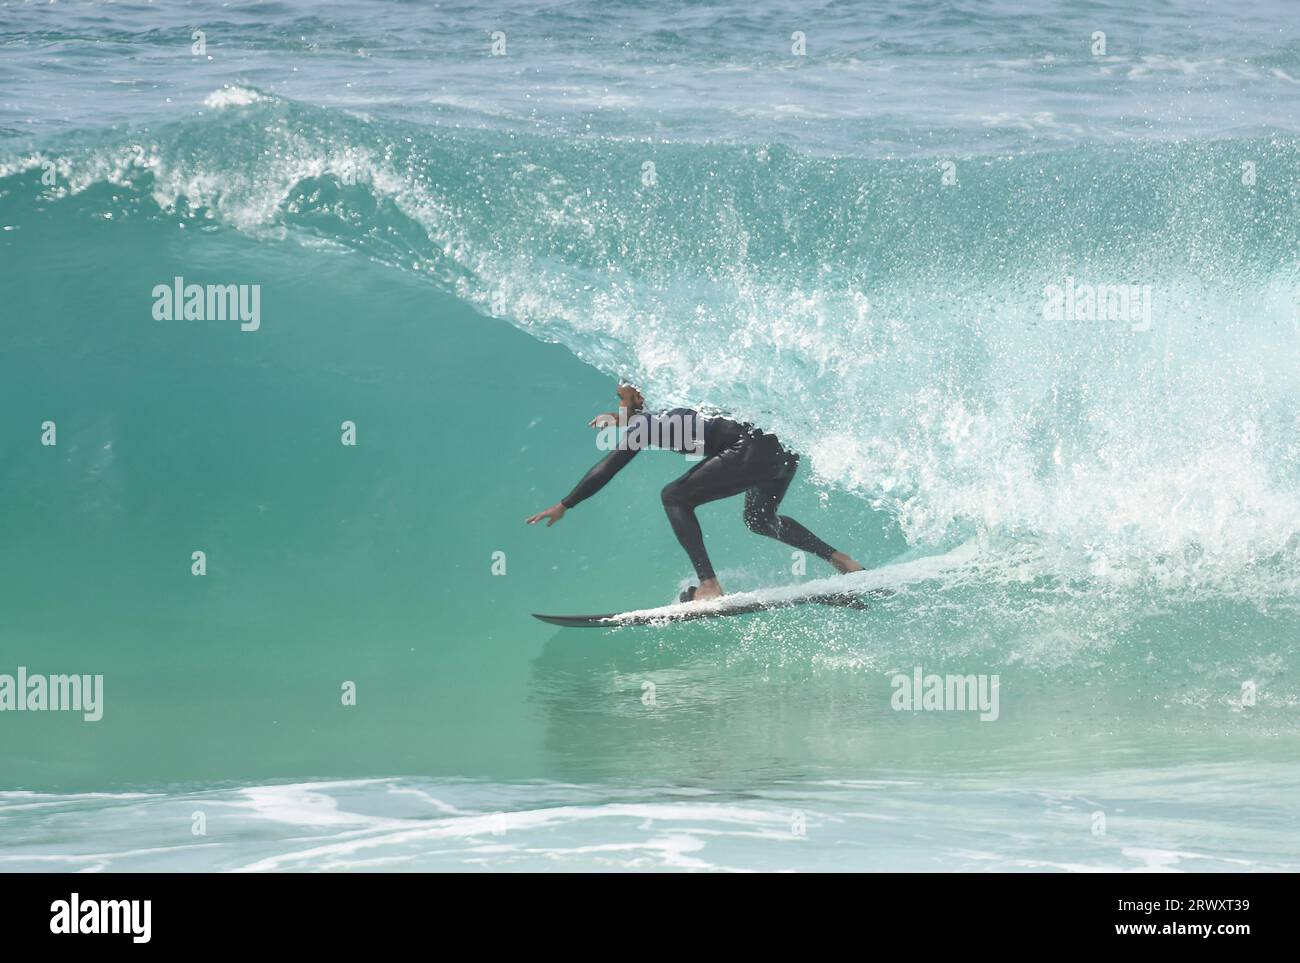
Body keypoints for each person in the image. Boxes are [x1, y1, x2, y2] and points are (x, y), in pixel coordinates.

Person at [526, 383, 864, 601]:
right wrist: (621, 418)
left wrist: (565, 504)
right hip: (781, 450)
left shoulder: (647, 424)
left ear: (638, 398)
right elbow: (652, 423)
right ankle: (843, 561)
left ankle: (708, 585)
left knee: (673, 496)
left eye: (621, 398)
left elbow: (608, 468)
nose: (618, 403)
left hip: (750, 450)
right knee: (759, 519)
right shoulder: (676, 404)